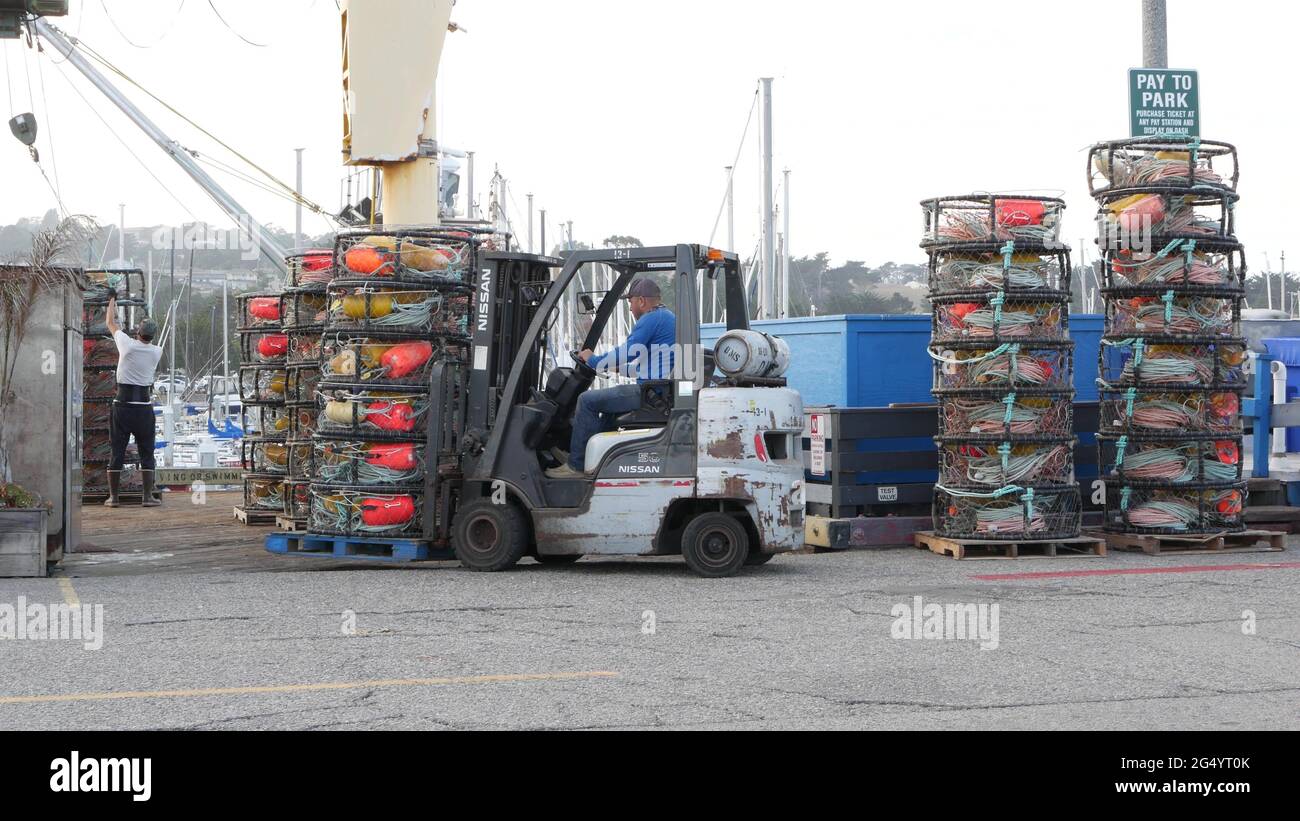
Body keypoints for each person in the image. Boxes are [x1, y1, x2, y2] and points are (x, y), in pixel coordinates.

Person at [547, 278, 675, 478]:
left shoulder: (650, 318)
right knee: (607, 411)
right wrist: (618, 369)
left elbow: (628, 351)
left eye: (630, 302)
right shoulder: (666, 317)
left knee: (586, 400)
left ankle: (576, 466)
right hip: (655, 390)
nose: (631, 308)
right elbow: (651, 366)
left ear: (641, 301)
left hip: (648, 394)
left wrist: (594, 360)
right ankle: (589, 456)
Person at [103, 295, 163, 507]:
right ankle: (147, 497)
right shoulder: (157, 351)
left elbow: (110, 322)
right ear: (152, 336)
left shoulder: (126, 345)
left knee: (117, 449)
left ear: (137, 332)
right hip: (144, 407)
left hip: (122, 405)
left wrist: (112, 300)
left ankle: (114, 497)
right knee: (147, 450)